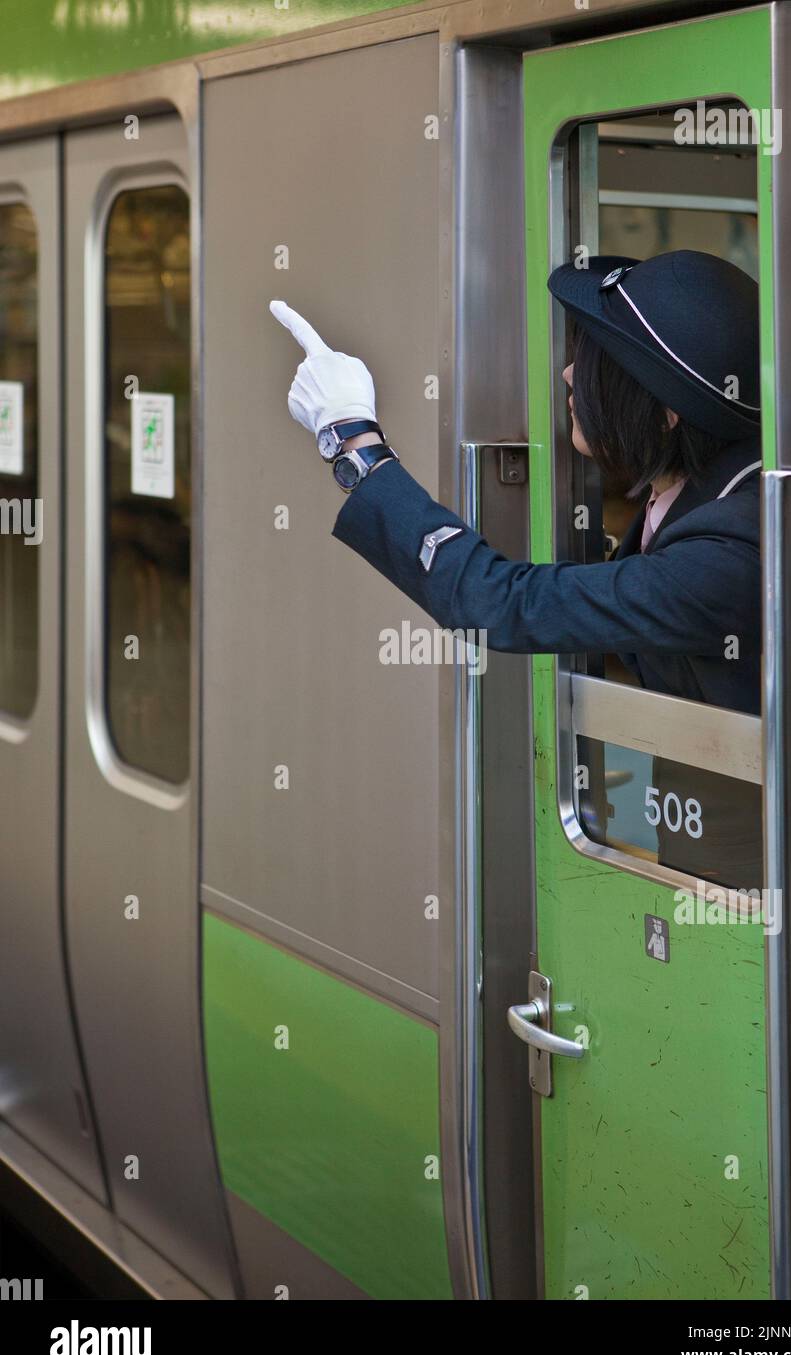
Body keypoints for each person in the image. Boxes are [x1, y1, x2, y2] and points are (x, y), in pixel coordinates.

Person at [269, 249, 764, 887]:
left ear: (665, 412)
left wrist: (353, 444)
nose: (567, 374)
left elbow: (502, 603)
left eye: (596, 366)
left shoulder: (727, 555)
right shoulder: (709, 491)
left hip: (741, 881)